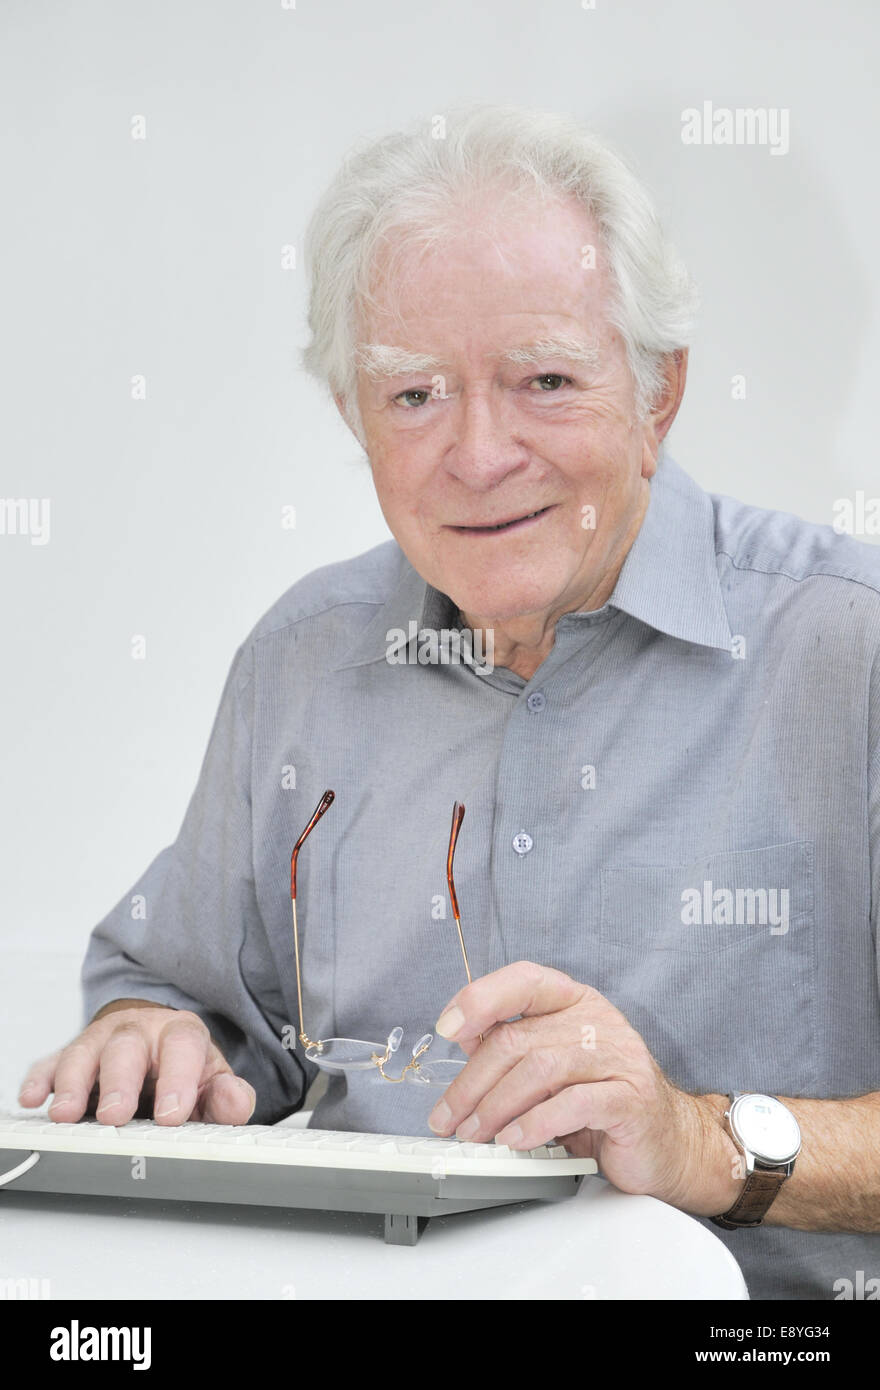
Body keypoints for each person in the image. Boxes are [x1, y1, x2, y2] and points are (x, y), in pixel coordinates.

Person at [19, 104, 880, 1300]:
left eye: (543, 380)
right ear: (351, 417)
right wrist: (156, 1045)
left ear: (658, 394)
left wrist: (701, 1140)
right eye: (414, 394)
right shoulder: (304, 660)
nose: (478, 455)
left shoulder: (849, 645)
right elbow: (192, 996)